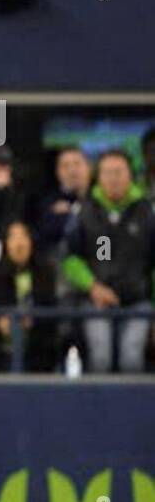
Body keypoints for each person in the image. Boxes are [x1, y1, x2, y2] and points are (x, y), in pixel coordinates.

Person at [62, 149, 155, 373]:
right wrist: (93, 287)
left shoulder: (147, 212)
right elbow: (70, 259)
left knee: (131, 359)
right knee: (100, 357)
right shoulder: (84, 211)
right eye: (107, 172)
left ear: (130, 175)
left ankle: (133, 409)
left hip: (137, 302)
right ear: (99, 176)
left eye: (119, 171)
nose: (113, 178)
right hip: (96, 301)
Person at [0, 221, 60, 373]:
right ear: (6, 244)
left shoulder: (45, 273)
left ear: (31, 242)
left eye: (23, 237)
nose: (19, 243)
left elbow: (53, 310)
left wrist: (34, 321)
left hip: (36, 352)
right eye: (13, 237)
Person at [36, 146, 92, 253]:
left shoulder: (102, 198)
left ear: (89, 167)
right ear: (58, 172)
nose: (72, 171)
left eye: (77, 164)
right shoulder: (48, 204)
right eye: (65, 166)